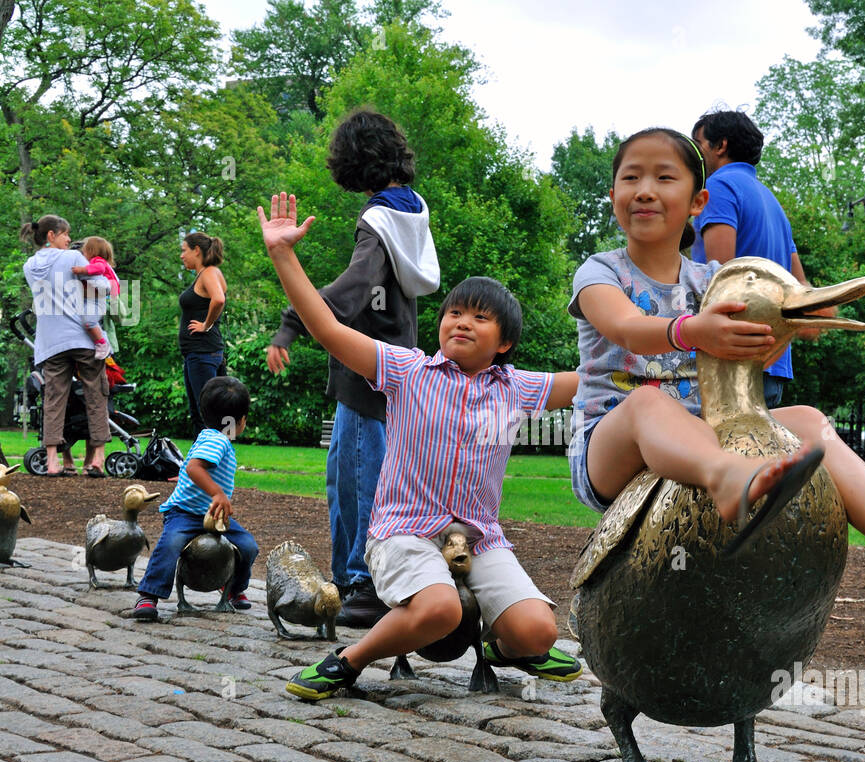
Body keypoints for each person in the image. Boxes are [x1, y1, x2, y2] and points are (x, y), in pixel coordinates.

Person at [569, 128, 865, 621]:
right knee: (650, 404)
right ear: (613, 196)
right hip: (611, 445)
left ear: (698, 201)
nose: (645, 189)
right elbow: (626, 328)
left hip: (704, 431)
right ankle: (727, 477)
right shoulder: (600, 271)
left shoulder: (712, 279)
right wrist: (694, 331)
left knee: (805, 417)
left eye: (664, 177)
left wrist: (786, 325)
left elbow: (755, 338)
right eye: (631, 177)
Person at [258, 193, 580, 699]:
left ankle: (501, 645)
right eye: (454, 312)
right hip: (403, 532)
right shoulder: (407, 370)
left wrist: (663, 349)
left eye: (479, 317)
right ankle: (348, 660)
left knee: (538, 633)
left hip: (479, 537)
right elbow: (328, 327)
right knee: (439, 609)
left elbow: (593, 382)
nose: (461, 322)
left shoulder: (515, 386)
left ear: (504, 342)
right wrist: (283, 254)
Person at [266, 110, 440, 631]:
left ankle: (366, 585)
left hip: (367, 374)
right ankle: (349, 581)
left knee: (360, 482)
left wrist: (290, 323)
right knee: (350, 478)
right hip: (388, 368)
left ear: (355, 159)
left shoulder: (379, 219)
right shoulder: (411, 211)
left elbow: (352, 289)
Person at [690, 109, 831, 409]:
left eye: (698, 144)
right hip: (773, 364)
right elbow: (801, 286)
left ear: (720, 146)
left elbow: (720, 278)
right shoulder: (771, 202)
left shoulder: (718, 187)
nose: (693, 154)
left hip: (730, 363)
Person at [131, 376, 258, 622]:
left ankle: (232, 588)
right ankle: (149, 594)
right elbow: (194, 468)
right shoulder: (217, 440)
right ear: (240, 421)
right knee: (171, 544)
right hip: (185, 512)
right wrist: (218, 493)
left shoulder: (212, 437)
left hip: (213, 516)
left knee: (248, 546)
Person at [20, 215, 112, 478]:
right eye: (65, 234)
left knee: (53, 399)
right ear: (51, 235)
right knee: (96, 394)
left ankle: (51, 461)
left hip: (50, 341)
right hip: (82, 337)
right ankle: (97, 458)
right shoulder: (72, 258)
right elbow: (101, 288)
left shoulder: (29, 266)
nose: (69, 240)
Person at [179, 231, 228, 438]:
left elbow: (218, 299)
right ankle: (216, 459)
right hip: (205, 353)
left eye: (184, 250)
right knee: (217, 411)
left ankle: (205, 462)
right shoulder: (212, 273)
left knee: (204, 413)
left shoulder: (208, 273)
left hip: (202, 353)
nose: (182, 256)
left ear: (196, 250)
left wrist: (206, 325)